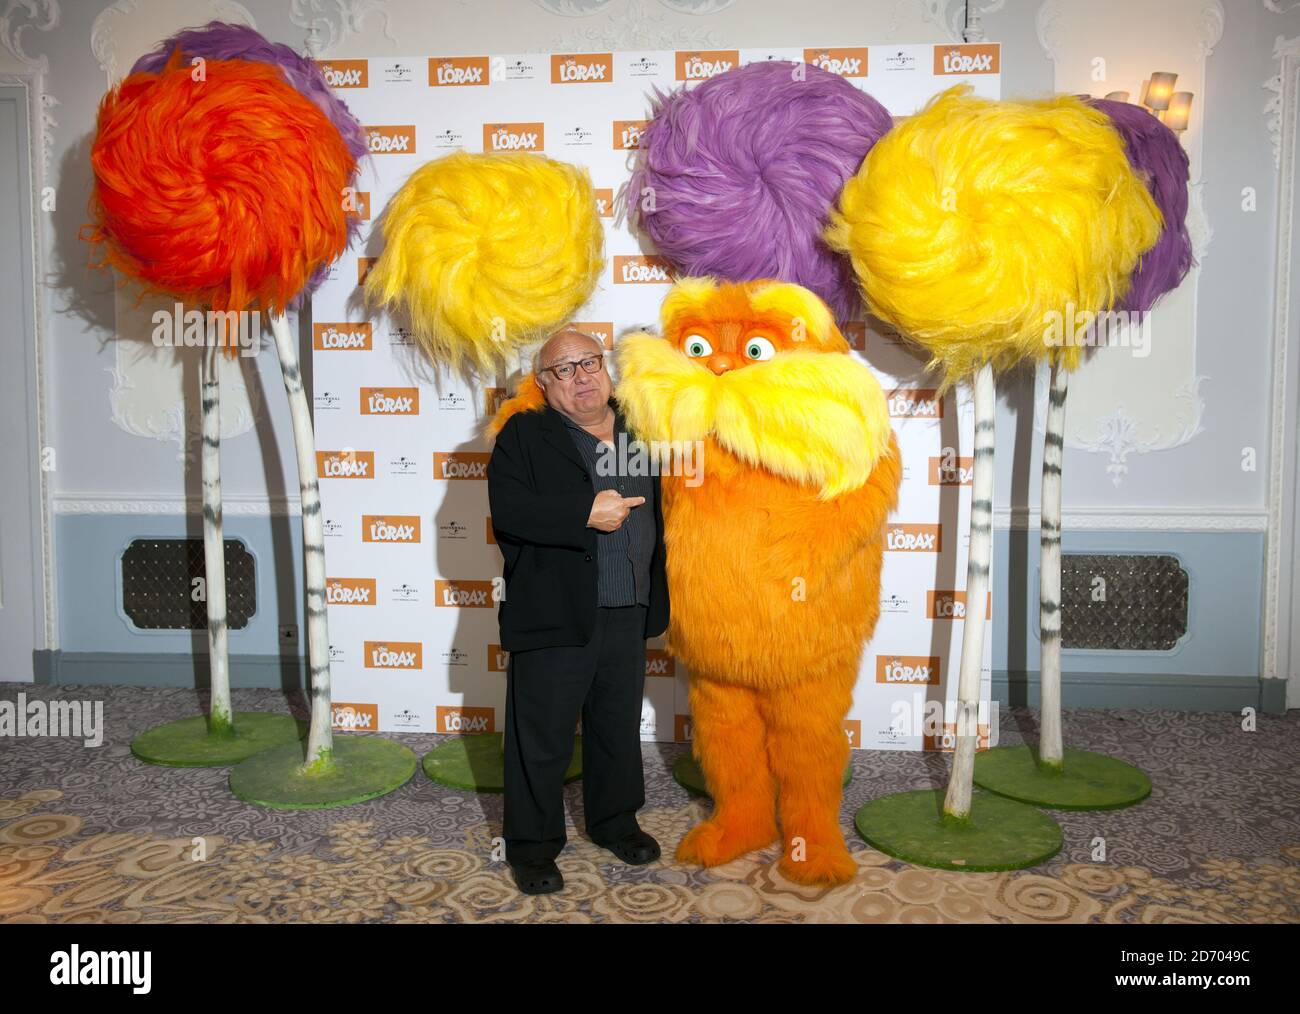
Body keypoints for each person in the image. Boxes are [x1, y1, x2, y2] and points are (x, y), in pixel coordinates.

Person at [487, 329, 670, 895]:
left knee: (615, 726)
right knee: (540, 737)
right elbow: (510, 511)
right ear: (543, 385)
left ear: (606, 367)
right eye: (562, 370)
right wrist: (584, 513)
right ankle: (533, 847)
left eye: (588, 362)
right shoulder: (524, 434)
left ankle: (615, 822)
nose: (580, 377)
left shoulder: (643, 428)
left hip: (628, 607)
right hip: (556, 614)